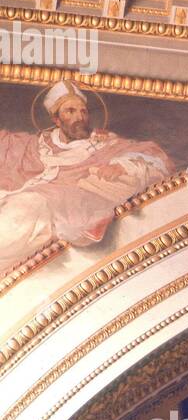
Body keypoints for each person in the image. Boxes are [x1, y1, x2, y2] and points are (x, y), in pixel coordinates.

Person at [0, 81, 173, 275]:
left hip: (56, 205)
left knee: (25, 207)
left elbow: (153, 156)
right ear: (56, 119)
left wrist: (122, 165)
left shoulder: (102, 144)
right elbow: (6, 145)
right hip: (16, 199)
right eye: (70, 111)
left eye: (83, 112)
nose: (79, 117)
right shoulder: (36, 145)